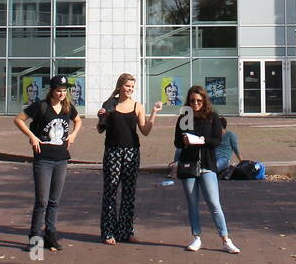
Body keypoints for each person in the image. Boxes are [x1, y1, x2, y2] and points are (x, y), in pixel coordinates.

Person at [14, 75, 81, 251]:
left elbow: (78, 120)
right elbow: (19, 119)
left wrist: (73, 135)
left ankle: (51, 234)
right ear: (51, 90)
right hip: (43, 159)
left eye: (64, 90)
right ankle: (35, 238)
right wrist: (32, 137)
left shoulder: (67, 107)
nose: (62, 93)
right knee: (42, 201)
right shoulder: (40, 106)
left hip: (61, 159)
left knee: (54, 201)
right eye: (59, 90)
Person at [96, 72, 162, 244]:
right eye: (127, 86)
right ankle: (108, 232)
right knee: (111, 190)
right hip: (113, 151)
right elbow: (100, 129)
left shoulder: (137, 106)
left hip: (132, 151)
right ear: (120, 87)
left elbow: (145, 131)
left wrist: (154, 113)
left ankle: (126, 231)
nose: (130, 89)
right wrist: (101, 116)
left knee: (129, 192)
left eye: (132, 87)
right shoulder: (110, 104)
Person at [174, 85, 241, 253]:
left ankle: (225, 239)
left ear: (204, 101)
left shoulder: (212, 117)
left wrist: (201, 141)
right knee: (192, 203)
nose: (195, 103)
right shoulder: (184, 117)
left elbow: (217, 140)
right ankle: (196, 237)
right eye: (192, 101)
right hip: (188, 164)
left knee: (214, 203)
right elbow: (176, 142)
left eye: (198, 100)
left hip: (207, 164)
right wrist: (184, 141)